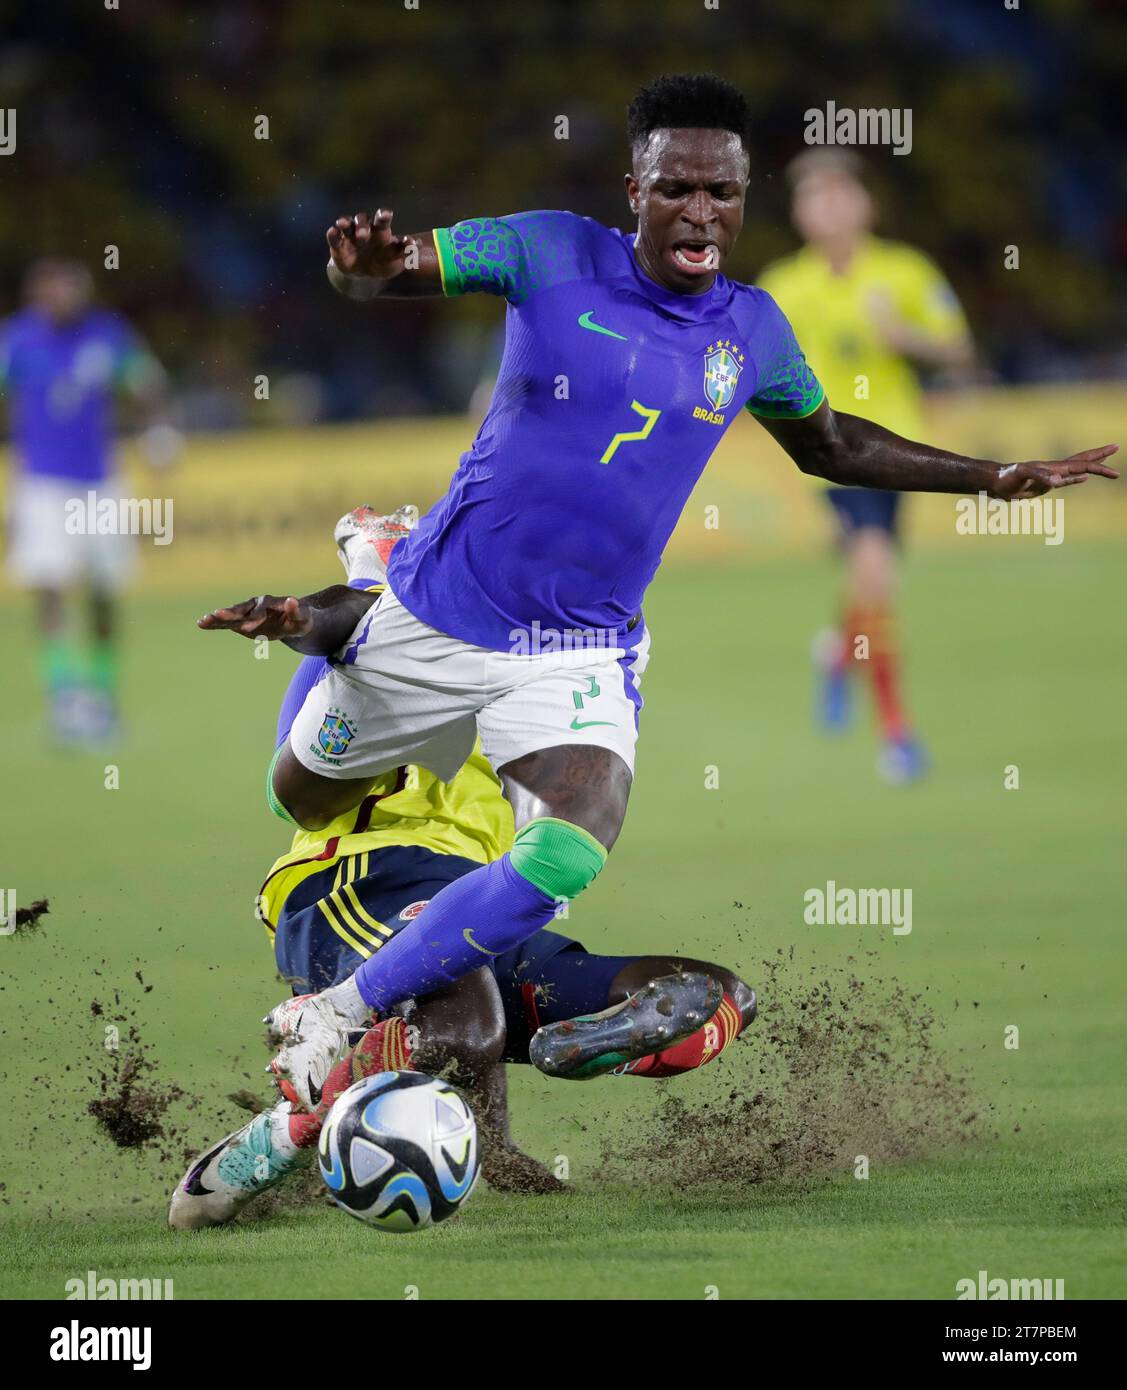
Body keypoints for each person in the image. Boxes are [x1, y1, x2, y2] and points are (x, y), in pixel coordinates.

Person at [199, 72, 1116, 1113]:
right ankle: (368, 572)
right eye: (675, 187)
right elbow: (399, 269)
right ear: (628, 187)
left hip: (576, 648)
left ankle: (338, 1013)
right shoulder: (545, 249)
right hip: (437, 611)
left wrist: (988, 475)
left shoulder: (752, 330)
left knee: (571, 838)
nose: (700, 212)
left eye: (721, 193)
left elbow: (831, 444)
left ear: (741, 195)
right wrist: (366, 271)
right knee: (297, 795)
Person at [170, 508, 755, 1230]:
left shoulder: (554, 684)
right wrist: (324, 605)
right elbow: (301, 776)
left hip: (479, 903)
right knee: (467, 1012)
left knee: (717, 995)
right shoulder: (398, 640)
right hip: (357, 879)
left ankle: (581, 1048)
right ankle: (305, 1125)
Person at [758, 150, 975, 781]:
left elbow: (959, 347)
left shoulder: (905, 271)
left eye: (839, 194)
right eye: (814, 197)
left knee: (868, 580)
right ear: (799, 213)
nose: (828, 207)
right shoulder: (783, 286)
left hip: (898, 452)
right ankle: (897, 733)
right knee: (878, 573)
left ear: (864, 204)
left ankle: (836, 654)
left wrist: (908, 337)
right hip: (831, 453)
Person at [1, 258, 176, 741]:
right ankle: (64, 697)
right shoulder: (18, 340)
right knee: (50, 584)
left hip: (100, 482)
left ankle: (100, 694)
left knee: (102, 590)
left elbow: (148, 381)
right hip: (41, 484)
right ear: (37, 293)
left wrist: (159, 429)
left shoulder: (106, 335)